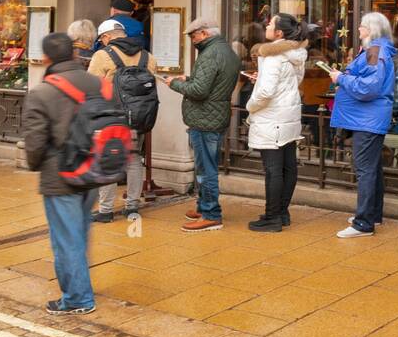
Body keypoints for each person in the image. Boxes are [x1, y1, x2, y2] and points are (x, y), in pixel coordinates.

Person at [21, 32, 103, 315]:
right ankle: (81, 283)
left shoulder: (42, 93)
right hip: (93, 169)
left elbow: (34, 141)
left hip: (60, 174)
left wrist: (35, 166)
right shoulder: (97, 82)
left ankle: (78, 298)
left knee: (66, 238)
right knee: (79, 232)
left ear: (45, 58)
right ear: (73, 53)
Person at [161, 17, 241, 232]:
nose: (191, 40)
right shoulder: (226, 51)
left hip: (205, 118)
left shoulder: (210, 54)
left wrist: (175, 83)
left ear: (204, 33)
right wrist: (190, 78)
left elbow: (199, 91)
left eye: (193, 35)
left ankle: (210, 214)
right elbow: (212, 82)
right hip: (214, 115)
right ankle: (203, 206)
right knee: (206, 165)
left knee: (206, 169)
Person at [329, 12, 398, 238]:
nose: (358, 30)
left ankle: (363, 223)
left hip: (366, 119)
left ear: (372, 30)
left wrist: (341, 78)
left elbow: (368, 88)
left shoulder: (374, 51)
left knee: (365, 170)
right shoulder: (377, 50)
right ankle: (372, 214)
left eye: (362, 26)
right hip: (368, 118)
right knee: (372, 168)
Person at [87, 20, 158, 224]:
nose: (102, 43)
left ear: (108, 36)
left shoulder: (102, 56)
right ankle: (132, 206)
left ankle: (106, 210)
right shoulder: (148, 57)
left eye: (102, 39)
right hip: (138, 118)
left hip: (110, 119)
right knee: (134, 160)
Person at [245, 12, 308, 232]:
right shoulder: (295, 53)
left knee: (273, 170)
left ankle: (272, 217)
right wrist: (260, 77)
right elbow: (293, 80)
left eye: (270, 23)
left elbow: (265, 92)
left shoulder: (272, 55)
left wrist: (250, 105)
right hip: (288, 116)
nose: (267, 25)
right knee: (288, 166)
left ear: (279, 32)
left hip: (271, 118)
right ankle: (282, 212)